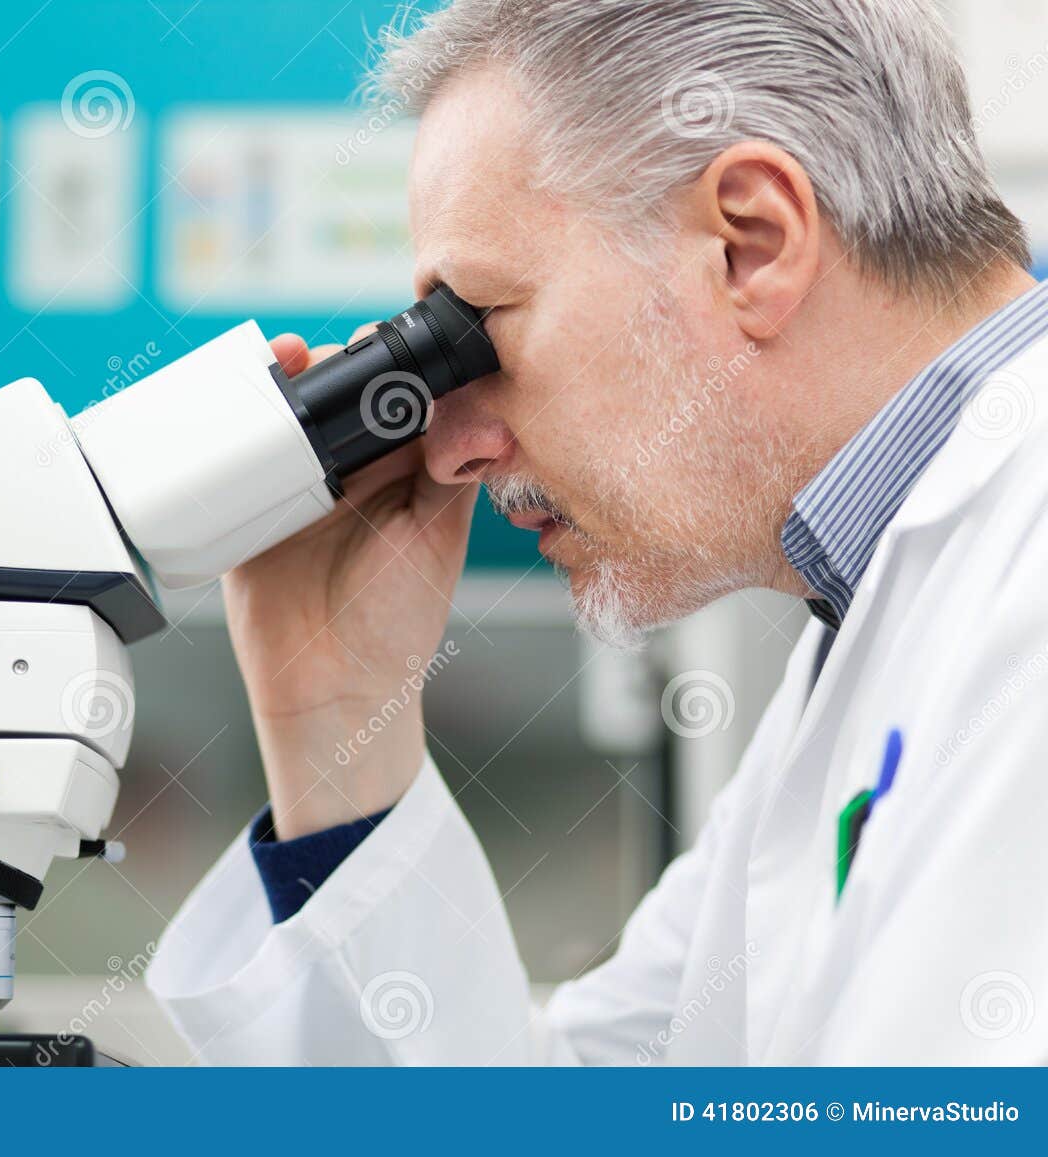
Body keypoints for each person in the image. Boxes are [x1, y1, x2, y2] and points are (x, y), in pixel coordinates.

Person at [145, 0, 1048, 1064]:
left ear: (749, 246)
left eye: (478, 327)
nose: (451, 447)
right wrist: (335, 702)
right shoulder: (868, 627)